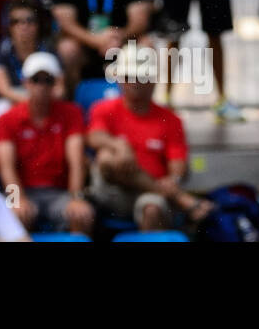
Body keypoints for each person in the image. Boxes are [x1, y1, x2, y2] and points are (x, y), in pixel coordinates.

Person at [87, 67, 205, 230]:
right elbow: (94, 137)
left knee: (152, 209)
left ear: (153, 80)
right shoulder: (104, 108)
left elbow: (178, 165)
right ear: (120, 80)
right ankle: (180, 198)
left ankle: (169, 196)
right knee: (106, 156)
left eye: (142, 77)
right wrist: (120, 145)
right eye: (129, 77)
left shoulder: (170, 119)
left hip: (150, 196)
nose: (135, 82)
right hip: (112, 192)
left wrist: (173, 180)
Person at [0, 52, 93, 235]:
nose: (41, 86)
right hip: (24, 191)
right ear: (26, 83)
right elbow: (6, 167)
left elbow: (76, 161)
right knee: (15, 214)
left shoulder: (71, 113)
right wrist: (17, 199)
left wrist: (76, 198)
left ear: (56, 83)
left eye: (47, 80)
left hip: (60, 193)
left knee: (82, 214)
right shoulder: (7, 119)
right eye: (36, 79)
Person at [0, 0, 60, 140]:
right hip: (12, 101)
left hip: (46, 101)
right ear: (9, 27)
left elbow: (60, 89)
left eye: (30, 20)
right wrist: (33, 103)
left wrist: (40, 100)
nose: (23, 26)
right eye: (16, 21)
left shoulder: (49, 49)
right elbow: (3, 89)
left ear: (38, 25)